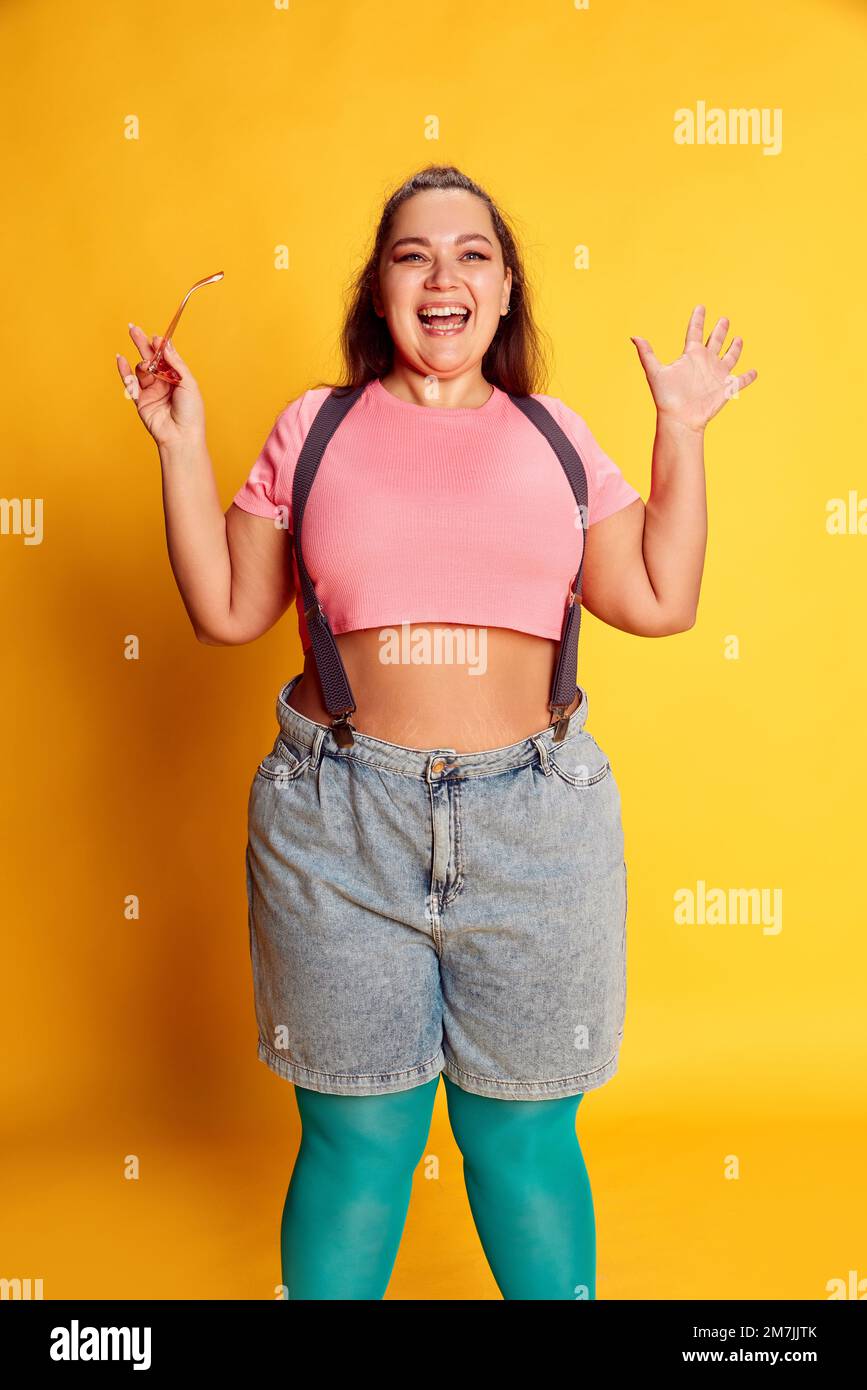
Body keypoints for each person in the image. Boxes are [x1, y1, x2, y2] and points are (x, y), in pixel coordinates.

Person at [115, 163, 757, 1301]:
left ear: (507, 292)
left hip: (536, 824)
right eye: (414, 254)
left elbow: (661, 598)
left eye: (471, 254)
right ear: (380, 290)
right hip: (337, 822)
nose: (443, 274)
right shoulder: (313, 428)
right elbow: (224, 611)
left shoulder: (556, 436)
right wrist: (179, 440)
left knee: (522, 1138)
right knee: (360, 1137)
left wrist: (682, 430)